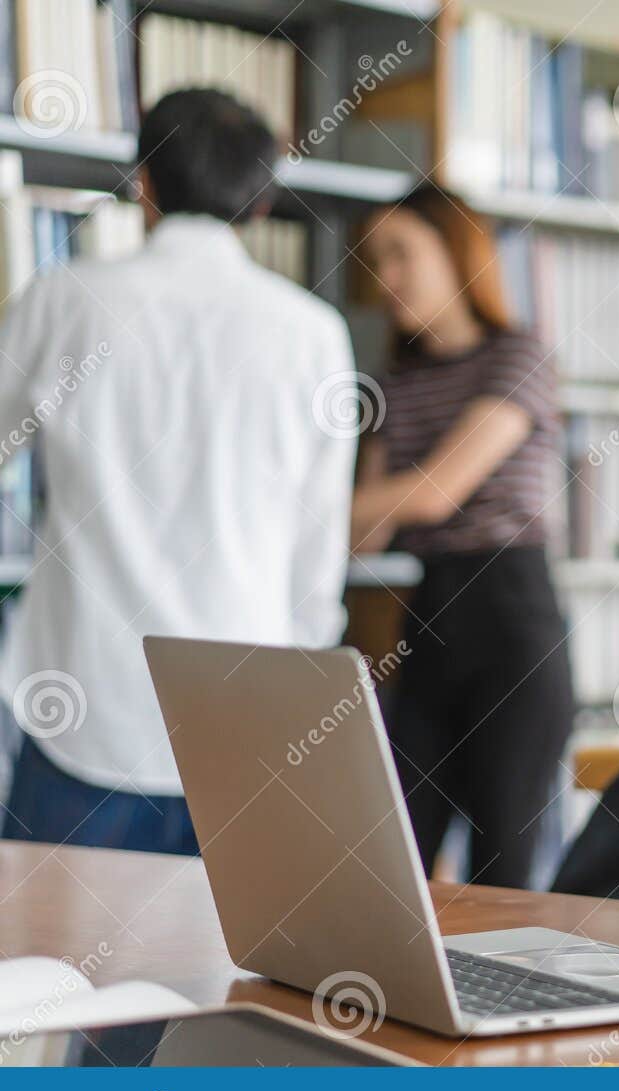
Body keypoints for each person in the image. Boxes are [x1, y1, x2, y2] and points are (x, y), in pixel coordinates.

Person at [0, 88, 356, 855]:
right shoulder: (313, 334)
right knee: (222, 974)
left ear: (143, 183)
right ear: (261, 203)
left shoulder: (69, 298)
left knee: (40, 965)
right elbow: (318, 547)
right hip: (247, 722)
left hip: (83, 709)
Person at [352, 186, 573, 890]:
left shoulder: (520, 357)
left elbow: (430, 492)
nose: (387, 279)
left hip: (512, 622)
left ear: (457, 251)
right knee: (397, 867)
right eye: (376, 262)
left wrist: (294, 514)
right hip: (429, 621)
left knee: (501, 872)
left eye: (401, 254)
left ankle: (495, 1004)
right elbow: (366, 528)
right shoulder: (399, 379)